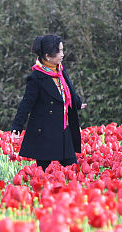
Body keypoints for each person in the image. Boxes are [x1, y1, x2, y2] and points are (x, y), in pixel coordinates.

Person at [10, 35, 87, 169]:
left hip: (64, 130)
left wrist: (77, 103)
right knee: (42, 173)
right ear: (48, 56)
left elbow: (69, 89)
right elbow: (26, 104)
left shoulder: (60, 70)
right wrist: (17, 126)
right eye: (60, 51)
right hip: (45, 132)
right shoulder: (36, 78)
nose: (63, 54)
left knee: (73, 170)